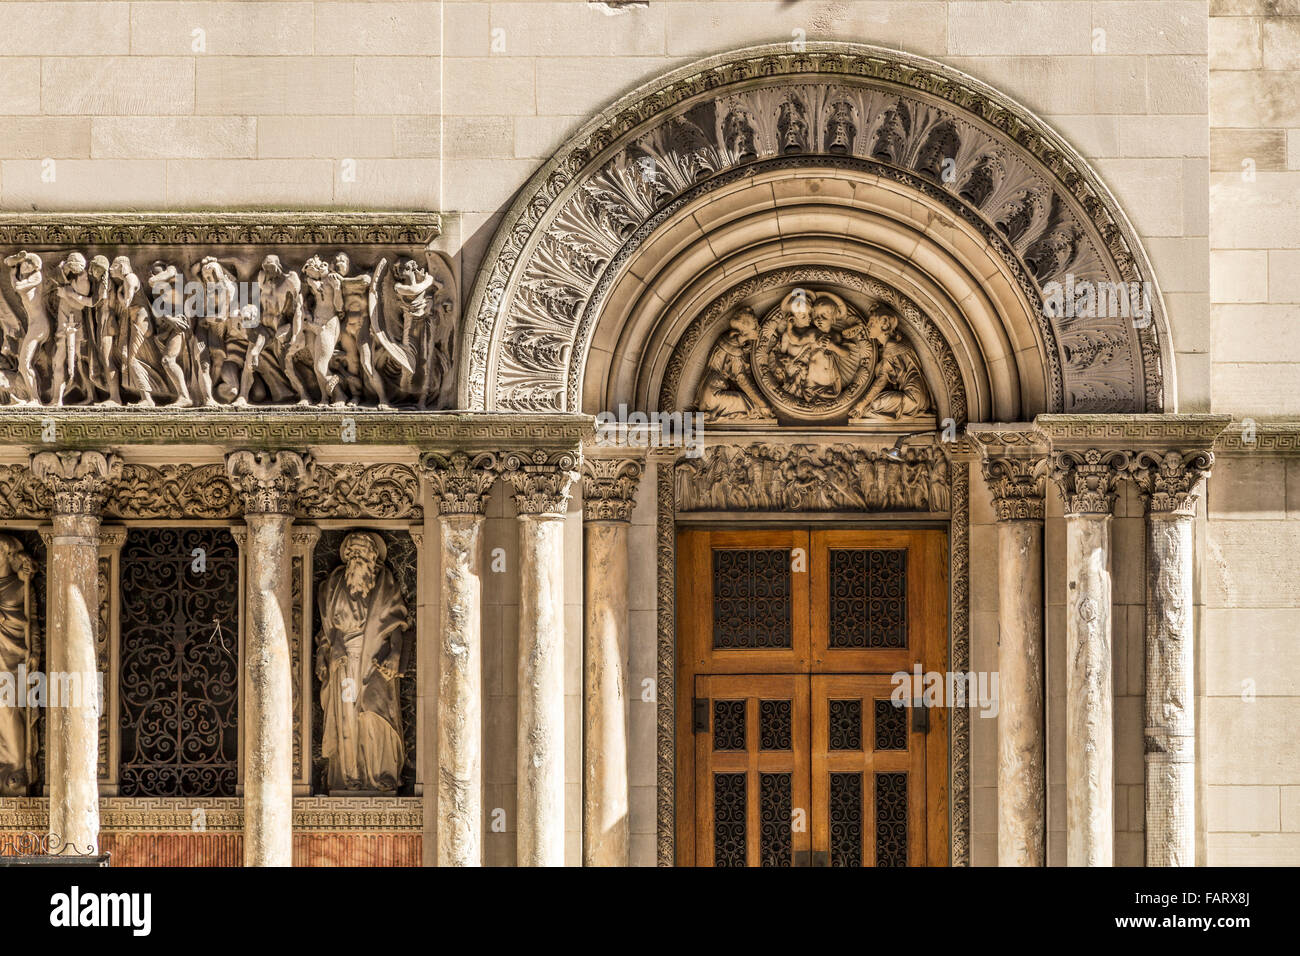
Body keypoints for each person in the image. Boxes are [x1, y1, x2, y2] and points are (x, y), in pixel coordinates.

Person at [315, 532, 409, 792]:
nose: (356, 557)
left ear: (372, 557)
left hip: (374, 661)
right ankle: (349, 777)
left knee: (375, 714)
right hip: (343, 661)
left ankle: (380, 774)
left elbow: (397, 624)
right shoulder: (333, 586)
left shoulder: (384, 583)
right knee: (347, 716)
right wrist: (325, 653)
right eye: (352, 552)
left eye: (361, 552)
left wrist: (395, 654)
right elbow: (326, 630)